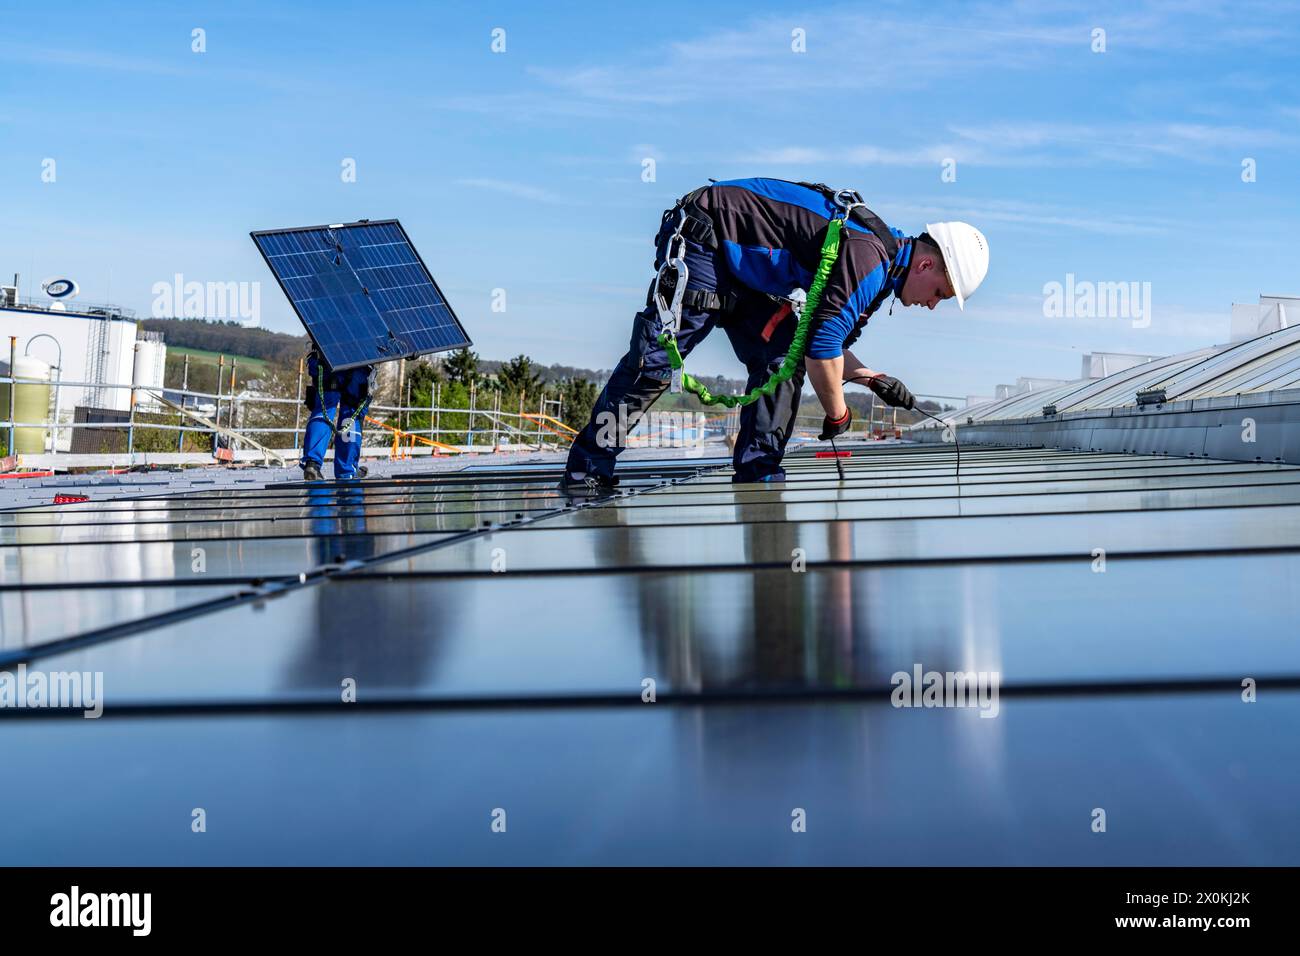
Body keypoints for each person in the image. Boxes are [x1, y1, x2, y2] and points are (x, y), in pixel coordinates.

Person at [560, 177, 988, 492]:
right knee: (655, 362)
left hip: (744, 271)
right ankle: (588, 471)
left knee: (781, 355)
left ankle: (759, 471)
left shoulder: (880, 260)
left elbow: (820, 345)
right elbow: (821, 351)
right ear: (928, 266)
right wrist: (838, 415)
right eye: (940, 295)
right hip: (707, 236)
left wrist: (871, 378)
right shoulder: (869, 258)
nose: (932, 304)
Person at [300, 348, 374, 481]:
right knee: (351, 414)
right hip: (359, 361)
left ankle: (313, 463)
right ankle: (346, 471)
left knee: (323, 409)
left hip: (326, 356)